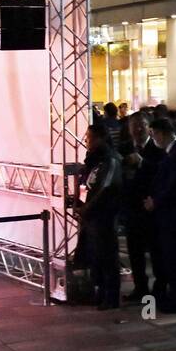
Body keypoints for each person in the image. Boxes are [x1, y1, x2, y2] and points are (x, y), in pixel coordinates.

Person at [145, 117, 176, 313]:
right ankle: (174, 297)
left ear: (162, 133)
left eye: (154, 134)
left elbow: (174, 185)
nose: (153, 138)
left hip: (175, 217)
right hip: (171, 216)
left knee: (175, 260)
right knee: (172, 259)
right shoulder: (175, 152)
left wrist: (155, 201)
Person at [78, 125, 124, 310]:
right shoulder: (93, 160)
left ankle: (111, 296)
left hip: (104, 215)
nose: (87, 141)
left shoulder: (110, 160)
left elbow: (105, 188)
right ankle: (99, 291)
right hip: (92, 215)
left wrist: (88, 206)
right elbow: (87, 185)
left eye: (90, 137)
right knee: (95, 255)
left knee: (107, 256)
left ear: (100, 138)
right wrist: (80, 203)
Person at [122, 112, 164, 303]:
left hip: (151, 209)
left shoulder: (158, 149)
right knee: (135, 252)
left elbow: (162, 172)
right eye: (134, 125)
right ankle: (140, 288)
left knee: (156, 252)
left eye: (142, 125)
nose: (138, 129)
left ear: (149, 127)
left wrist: (142, 162)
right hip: (131, 208)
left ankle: (160, 288)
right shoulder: (123, 149)